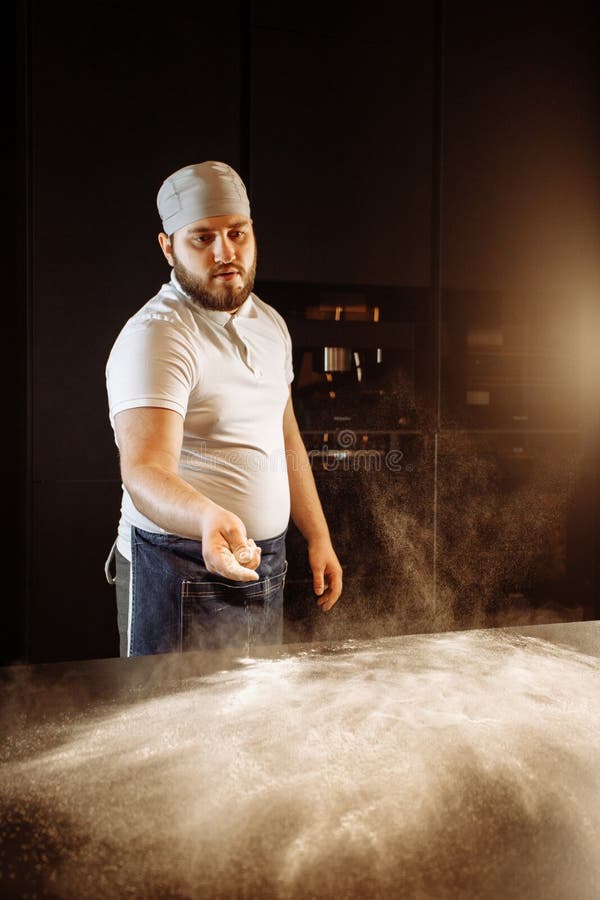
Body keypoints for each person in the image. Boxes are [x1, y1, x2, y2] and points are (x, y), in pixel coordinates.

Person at [105, 160, 343, 657]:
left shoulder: (271, 324)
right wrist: (208, 519)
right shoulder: (158, 336)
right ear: (168, 247)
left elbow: (285, 437)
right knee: (171, 727)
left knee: (248, 727)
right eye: (202, 238)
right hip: (177, 562)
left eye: (237, 233)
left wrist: (317, 535)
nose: (225, 252)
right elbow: (144, 470)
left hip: (265, 562)